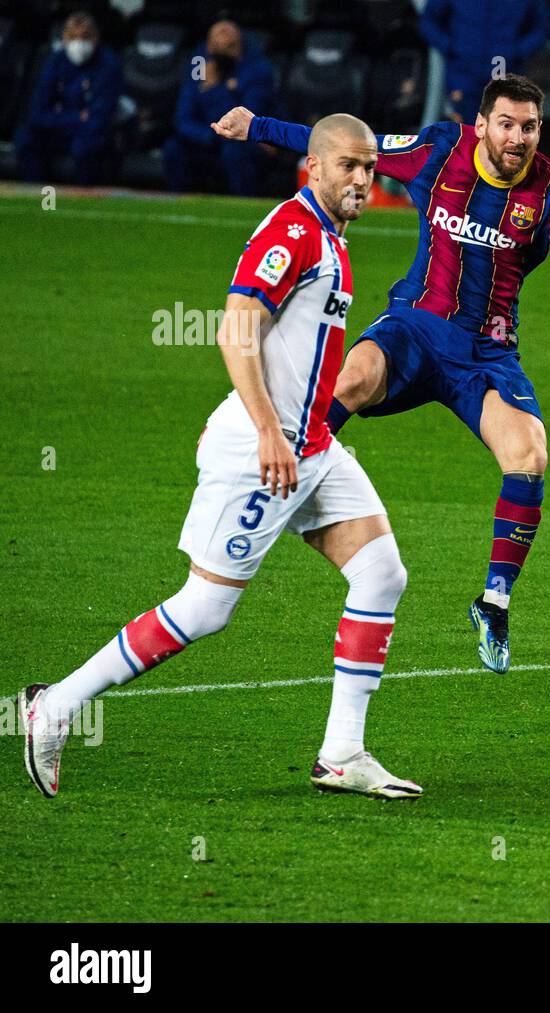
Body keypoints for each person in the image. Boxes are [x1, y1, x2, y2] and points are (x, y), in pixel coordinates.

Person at [20, 114, 422, 801]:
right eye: (349, 166)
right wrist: (269, 430)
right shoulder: (292, 233)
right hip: (262, 452)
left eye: (370, 169)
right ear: (314, 166)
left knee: (381, 572)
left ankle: (341, 754)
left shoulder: (330, 238)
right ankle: (54, 705)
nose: (362, 179)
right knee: (205, 608)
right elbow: (236, 327)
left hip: (313, 448)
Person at [211, 74, 550, 675]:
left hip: (486, 354)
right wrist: (259, 127)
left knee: (530, 454)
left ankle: (493, 602)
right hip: (413, 327)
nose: (519, 138)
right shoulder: (439, 149)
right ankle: (278, 482)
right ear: (483, 124)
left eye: (531, 127)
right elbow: (345, 143)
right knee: (350, 380)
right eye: (508, 125)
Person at [163, 19, 275, 196]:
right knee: (174, 148)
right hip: (207, 136)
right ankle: (180, 203)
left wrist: (215, 89)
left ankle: (242, 206)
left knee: (235, 152)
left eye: (229, 46)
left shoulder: (257, 67)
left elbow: (246, 118)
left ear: (239, 47)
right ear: (208, 47)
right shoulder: (199, 63)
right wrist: (210, 135)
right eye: (216, 46)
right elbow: (184, 115)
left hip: (242, 141)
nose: (222, 53)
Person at [15, 11, 122, 185]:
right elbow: (37, 112)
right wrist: (77, 116)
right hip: (60, 128)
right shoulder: (56, 61)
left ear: (96, 37)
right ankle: (42, 198)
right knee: (27, 139)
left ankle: (83, 200)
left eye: (85, 37)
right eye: (73, 37)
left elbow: (98, 117)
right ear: (64, 38)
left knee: (86, 146)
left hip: (88, 133)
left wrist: (60, 115)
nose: (79, 43)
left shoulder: (108, 65)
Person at [418, 0, 550, 123]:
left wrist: (517, 51)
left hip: (507, 78)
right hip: (464, 79)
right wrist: (451, 46)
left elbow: (540, 27)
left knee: (504, 136)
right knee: (466, 137)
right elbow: (428, 22)